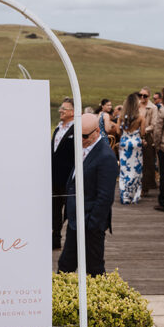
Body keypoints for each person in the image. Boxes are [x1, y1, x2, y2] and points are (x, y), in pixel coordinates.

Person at [58, 113, 118, 276]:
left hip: (90, 223)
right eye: (77, 135)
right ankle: (62, 299)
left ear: (97, 131)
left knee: (94, 268)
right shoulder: (82, 149)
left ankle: (98, 300)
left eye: (84, 136)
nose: (81, 139)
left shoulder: (105, 157)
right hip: (75, 220)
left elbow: (105, 197)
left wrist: (92, 224)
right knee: (65, 264)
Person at [51, 97, 75, 249]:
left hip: (68, 177)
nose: (61, 110)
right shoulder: (58, 128)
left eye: (64, 109)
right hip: (54, 177)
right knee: (54, 209)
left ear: (72, 112)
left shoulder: (76, 130)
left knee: (70, 209)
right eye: (61, 108)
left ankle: (72, 241)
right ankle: (55, 238)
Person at [117, 92, 144, 204]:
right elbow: (142, 132)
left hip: (124, 143)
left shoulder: (121, 117)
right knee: (136, 170)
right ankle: (135, 196)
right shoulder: (140, 117)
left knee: (124, 170)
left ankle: (125, 195)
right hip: (136, 145)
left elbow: (118, 131)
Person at [138, 87, 158, 195]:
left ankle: (144, 187)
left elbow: (154, 124)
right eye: (140, 95)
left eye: (144, 96)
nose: (142, 97)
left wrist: (144, 130)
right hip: (135, 135)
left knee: (147, 162)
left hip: (147, 136)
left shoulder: (153, 108)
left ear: (148, 96)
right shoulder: (136, 105)